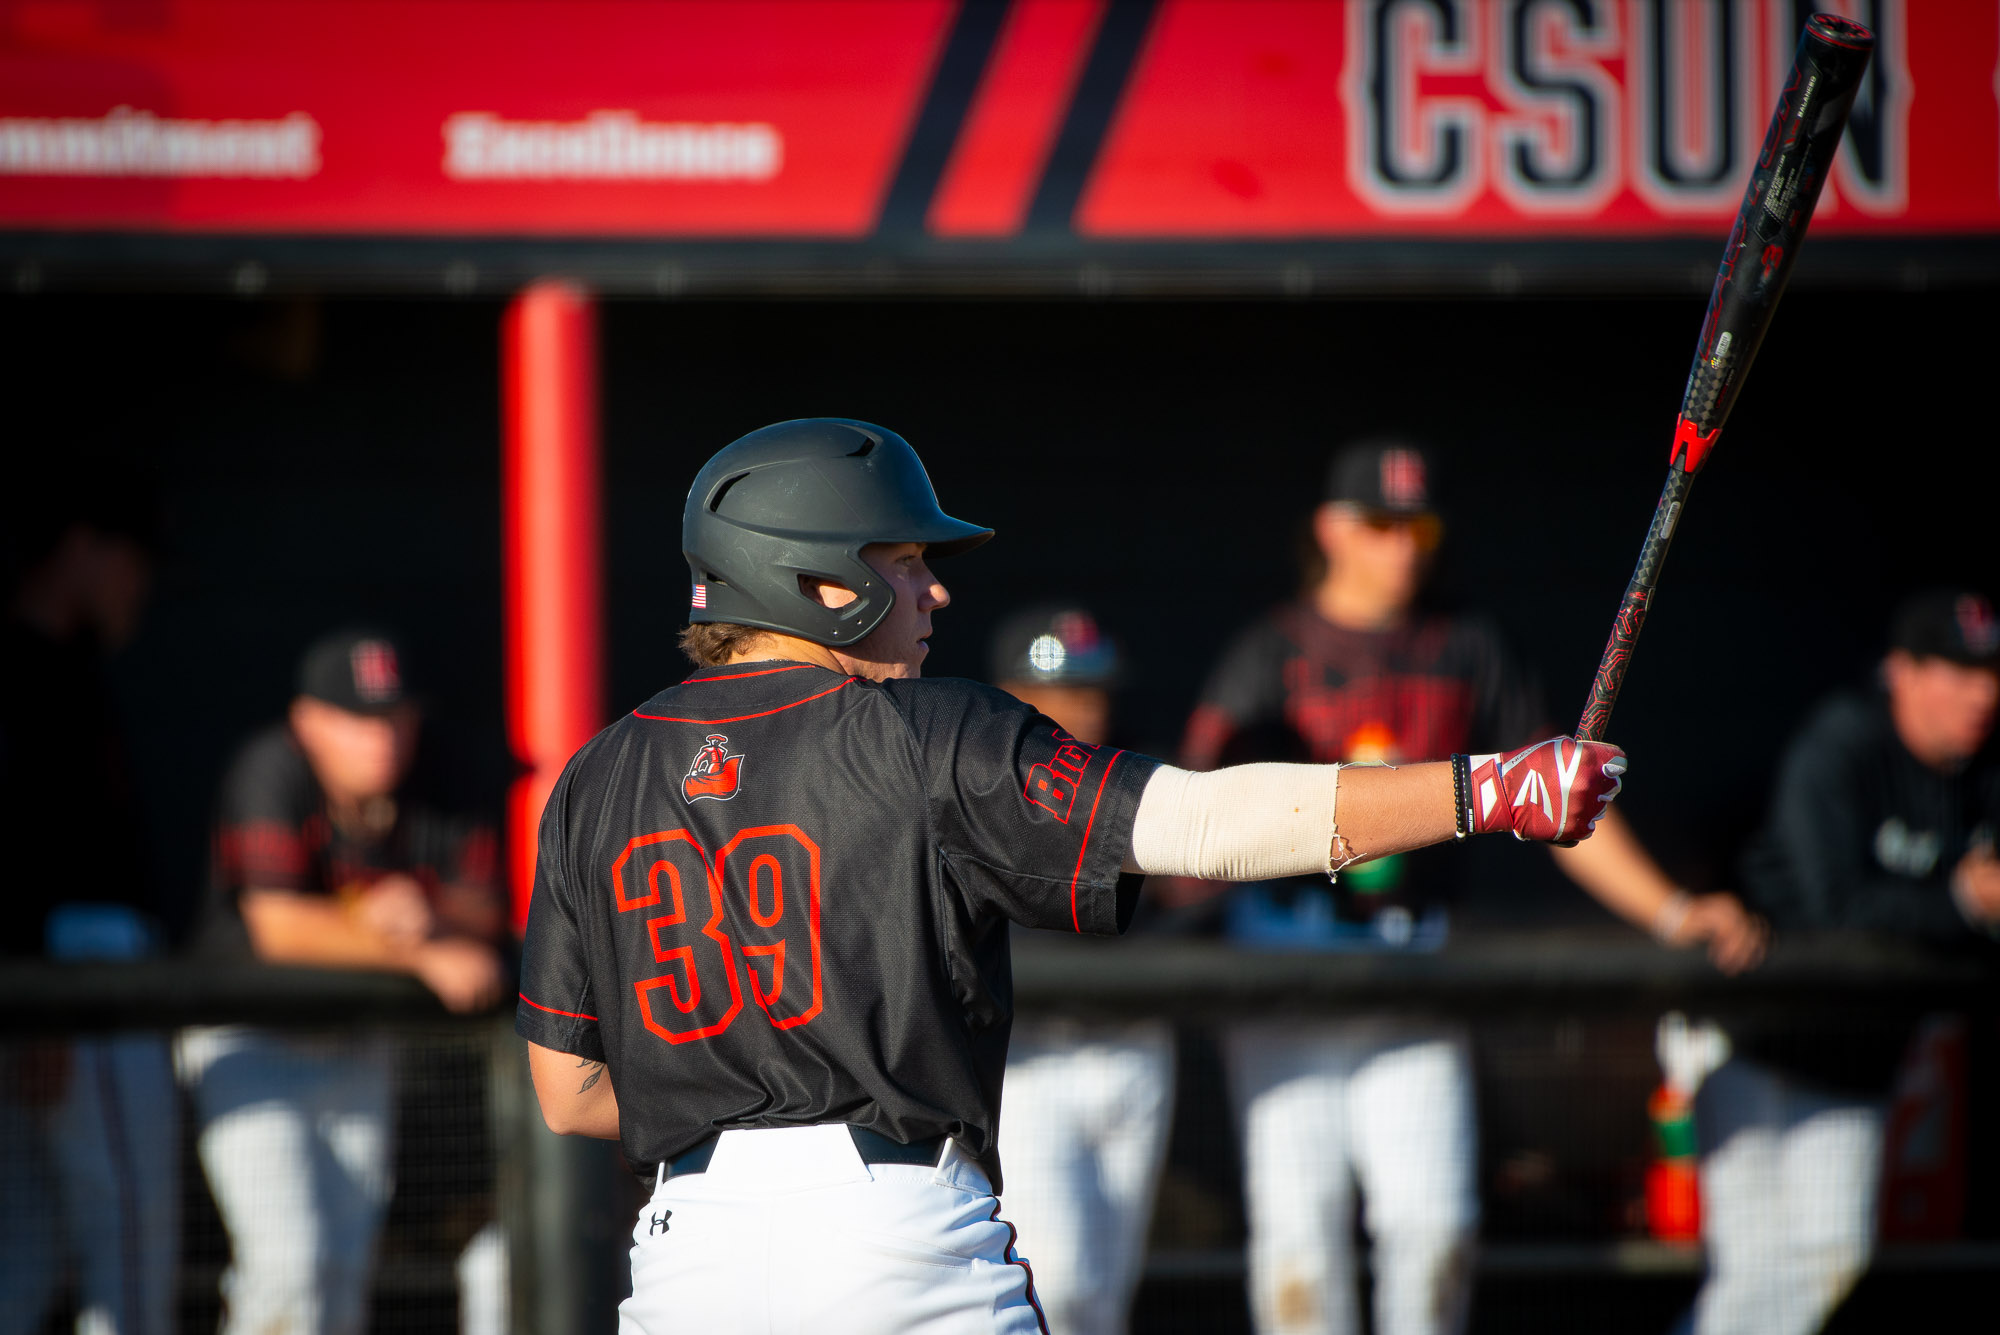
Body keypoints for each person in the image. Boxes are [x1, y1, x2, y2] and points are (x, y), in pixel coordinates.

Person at [514, 418, 1629, 1335]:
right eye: (902, 561)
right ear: (813, 579)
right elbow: (1203, 823)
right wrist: (1485, 787)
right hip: (893, 1239)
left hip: (683, 1261)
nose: (933, 593)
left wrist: (741, 1114)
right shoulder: (924, 729)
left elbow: (568, 1093)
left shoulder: (594, 775)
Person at [1169, 441, 1765, 1335]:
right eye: (1380, 525)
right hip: (1287, 955)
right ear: (1331, 530)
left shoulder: (1467, 643)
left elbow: (1556, 799)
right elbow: (1200, 813)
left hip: (1413, 958)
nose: (1401, 547)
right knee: (1300, 1245)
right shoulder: (1271, 650)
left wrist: (1673, 910)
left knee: (1435, 1225)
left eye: (1418, 528)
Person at [1681, 588, 2000, 1335]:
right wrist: (1962, 901)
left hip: (1858, 1060)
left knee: (1830, 1264)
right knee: (1756, 1276)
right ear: (1904, 672)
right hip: (1751, 1039)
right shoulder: (1842, 743)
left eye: (1991, 676)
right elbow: (1837, 911)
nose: (1982, 695)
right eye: (1959, 673)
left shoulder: (1985, 775)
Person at [179, 628, 508, 1335]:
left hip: (356, 1041)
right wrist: (412, 950)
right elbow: (279, 927)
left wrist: (425, 916)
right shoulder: (272, 767)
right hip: (251, 1042)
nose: (380, 739)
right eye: (358, 720)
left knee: (343, 1270)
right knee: (287, 1264)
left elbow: (487, 911)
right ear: (309, 721)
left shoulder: (438, 772)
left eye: (393, 718)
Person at [0, 494, 178, 1335]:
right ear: (81, 543)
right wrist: (37, 998)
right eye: (129, 562)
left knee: (25, 1246)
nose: (136, 587)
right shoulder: (24, 669)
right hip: (73, 965)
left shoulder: (64, 665)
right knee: (128, 1227)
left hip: (51, 969)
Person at [989, 605, 1174, 1335]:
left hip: (1134, 1044)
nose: (1081, 709)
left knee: (1105, 1296)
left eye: (1092, 690)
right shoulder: (974, 787)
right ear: (1010, 693)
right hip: (1028, 1058)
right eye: (1059, 691)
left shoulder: (1141, 782)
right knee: (1055, 1282)